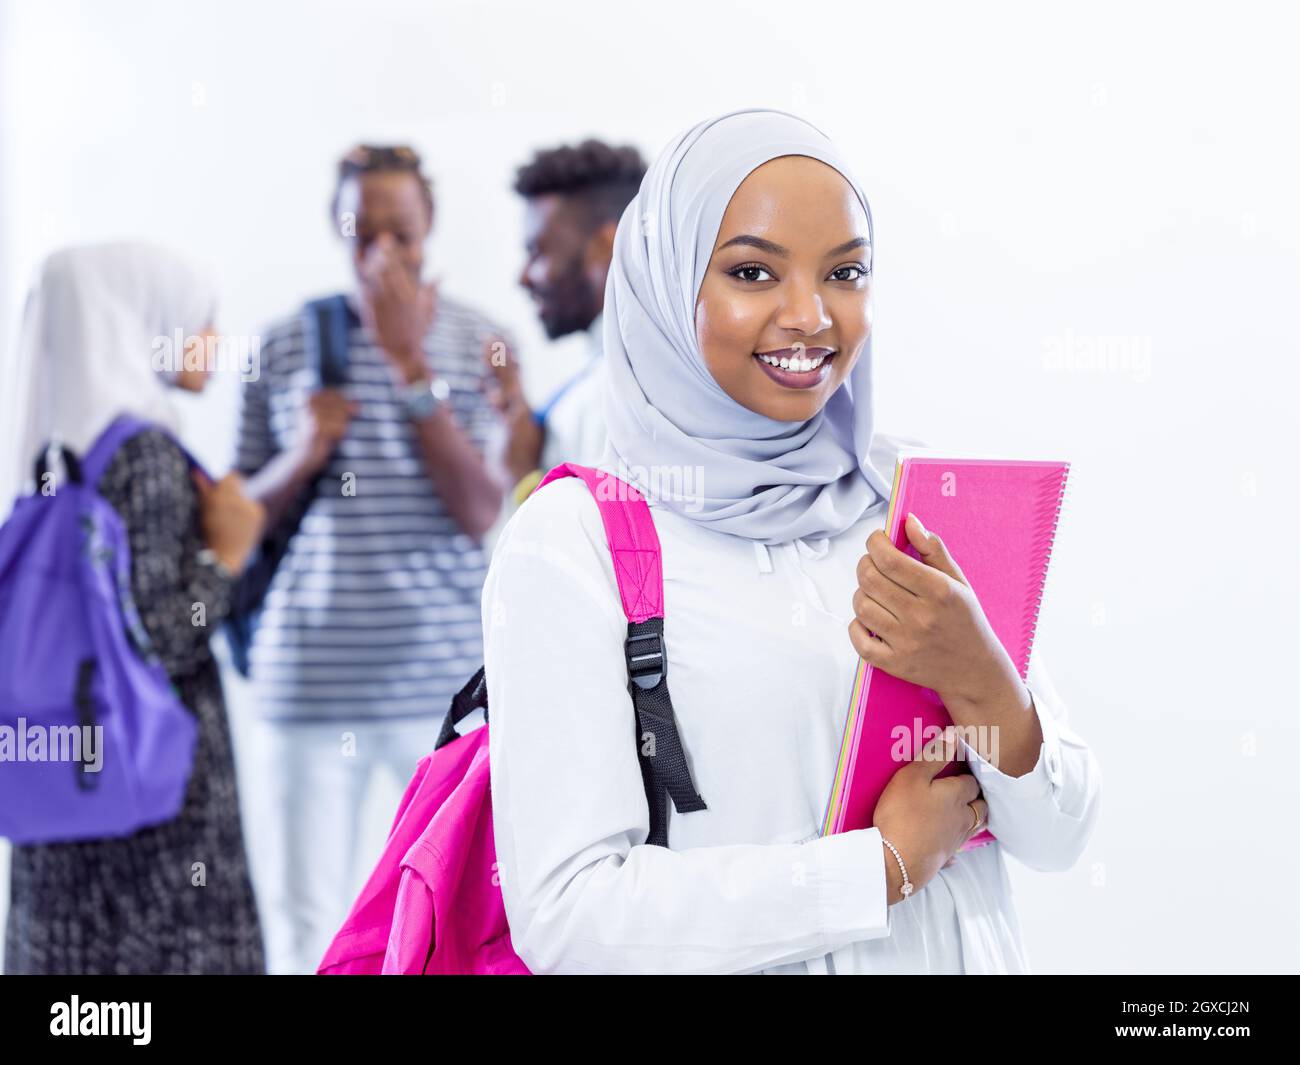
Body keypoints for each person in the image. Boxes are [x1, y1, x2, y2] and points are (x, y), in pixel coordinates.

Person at [481, 110, 1102, 975]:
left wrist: (985, 681)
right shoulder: (572, 543)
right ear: (667, 284)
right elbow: (568, 918)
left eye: (845, 272)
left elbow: (1061, 833)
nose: (810, 317)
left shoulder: (917, 496)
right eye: (751, 272)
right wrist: (871, 871)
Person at [234, 144, 509, 974]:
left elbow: (483, 510)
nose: (382, 252)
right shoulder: (286, 345)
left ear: (431, 231)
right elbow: (238, 527)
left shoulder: (479, 341)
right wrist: (305, 453)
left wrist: (408, 367)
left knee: (434, 924)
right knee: (304, 925)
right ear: (337, 229)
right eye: (363, 232)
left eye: (403, 233)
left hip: (438, 693)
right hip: (308, 682)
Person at [3, 242, 266, 974]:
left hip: (66, 783)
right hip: (155, 798)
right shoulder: (145, 454)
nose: (214, 342)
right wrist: (226, 557)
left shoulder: (51, 456)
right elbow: (161, 633)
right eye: (201, 321)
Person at [486, 139, 645, 505]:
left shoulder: (617, 392)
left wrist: (523, 478)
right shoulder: (606, 373)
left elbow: (609, 551)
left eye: (538, 251)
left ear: (607, 245)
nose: (524, 277)